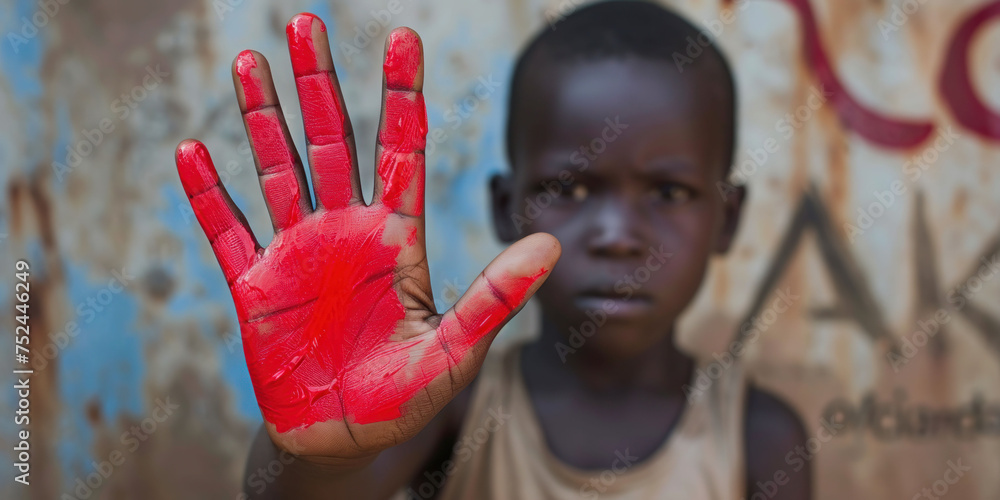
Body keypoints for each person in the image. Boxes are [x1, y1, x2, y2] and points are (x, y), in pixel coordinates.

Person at [174, 2, 811, 499]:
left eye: (669, 192)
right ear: (508, 207)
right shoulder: (446, 410)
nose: (619, 235)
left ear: (726, 220)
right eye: (571, 187)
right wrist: (316, 453)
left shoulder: (761, 440)